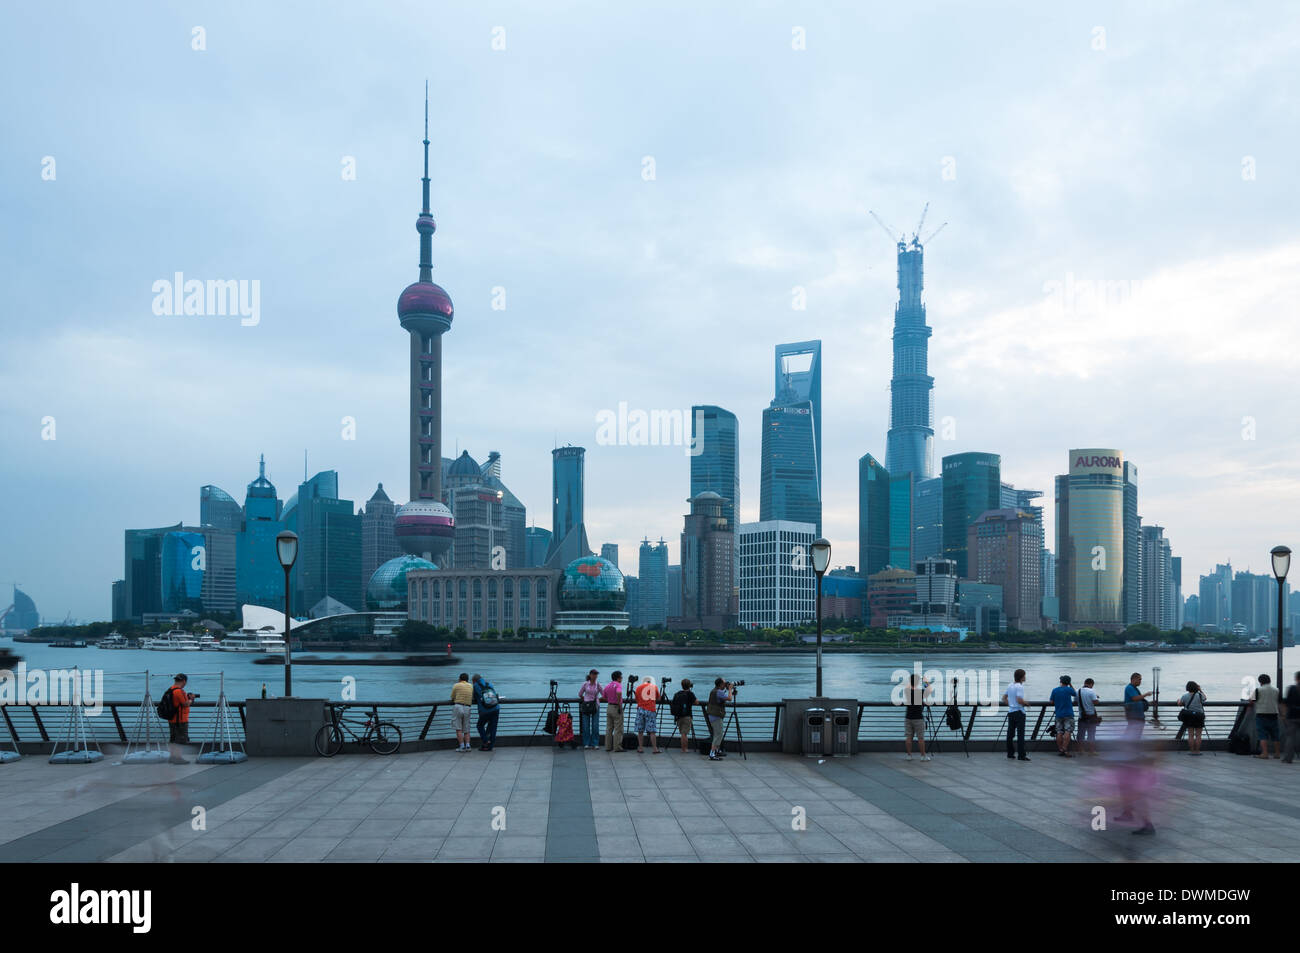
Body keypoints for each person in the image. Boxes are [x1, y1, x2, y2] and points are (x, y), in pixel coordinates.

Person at [164, 673, 196, 764]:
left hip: (172, 719)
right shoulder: (179, 691)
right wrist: (191, 699)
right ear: (184, 681)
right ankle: (177, 758)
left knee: (173, 739)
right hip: (180, 720)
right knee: (180, 740)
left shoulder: (170, 690)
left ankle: (172, 757)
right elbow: (185, 704)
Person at [1002, 669, 1029, 761]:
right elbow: (1019, 700)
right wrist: (1027, 704)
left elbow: (1004, 698)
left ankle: (1010, 753)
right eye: (1024, 675)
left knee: (1010, 734)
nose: (1025, 677)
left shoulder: (1010, 685)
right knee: (1020, 735)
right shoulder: (1020, 686)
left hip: (1011, 712)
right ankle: (1021, 755)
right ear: (1021, 677)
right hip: (1019, 712)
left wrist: (1010, 705)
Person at [902, 674, 930, 761]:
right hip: (918, 717)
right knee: (920, 738)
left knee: (909, 737)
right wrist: (925, 681)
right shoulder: (920, 692)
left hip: (908, 717)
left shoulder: (907, 691)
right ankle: (922, 756)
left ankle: (909, 755)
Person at [1254, 673, 1281, 759]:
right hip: (1274, 714)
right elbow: (1280, 701)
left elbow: (1251, 700)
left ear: (1260, 681)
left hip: (1261, 714)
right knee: (1275, 736)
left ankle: (1265, 753)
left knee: (1262, 735)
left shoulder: (1258, 690)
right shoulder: (1276, 690)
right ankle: (1277, 753)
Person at [1049, 675, 1077, 757]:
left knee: (1059, 732)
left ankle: (1061, 749)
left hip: (1058, 714)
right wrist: (1070, 685)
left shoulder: (1055, 690)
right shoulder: (1068, 689)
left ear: (1061, 681)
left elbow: (1051, 701)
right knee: (1068, 731)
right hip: (1068, 714)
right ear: (1068, 682)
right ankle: (1065, 749)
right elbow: (1075, 694)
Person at [634, 676, 662, 753]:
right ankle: (655, 749)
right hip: (650, 710)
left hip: (640, 710)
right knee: (652, 731)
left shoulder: (638, 688)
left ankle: (640, 748)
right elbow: (658, 698)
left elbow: (636, 699)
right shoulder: (654, 687)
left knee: (640, 730)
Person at [472, 674, 500, 751]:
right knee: (493, 727)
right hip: (495, 708)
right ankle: (490, 745)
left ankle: (486, 741)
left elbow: (474, 697)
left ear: (474, 681)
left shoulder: (476, 686)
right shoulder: (489, 684)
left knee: (480, 726)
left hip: (485, 710)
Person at [1177, 680, 1206, 755]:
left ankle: (1192, 751)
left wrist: (1178, 700)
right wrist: (1200, 690)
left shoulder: (1185, 696)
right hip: (1199, 715)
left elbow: (1180, 704)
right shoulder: (1200, 695)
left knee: (1190, 735)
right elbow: (1205, 698)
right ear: (1196, 687)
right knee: (1198, 735)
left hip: (1189, 716)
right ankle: (1197, 751)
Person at [706, 678, 732, 761]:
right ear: (720, 684)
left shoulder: (714, 691)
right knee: (718, 735)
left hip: (712, 715)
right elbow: (729, 698)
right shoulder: (719, 692)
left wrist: (727, 689)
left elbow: (721, 698)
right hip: (716, 716)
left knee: (717, 734)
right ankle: (712, 753)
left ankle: (716, 750)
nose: (725, 684)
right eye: (724, 683)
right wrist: (730, 689)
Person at [577, 669, 603, 749]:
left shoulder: (598, 685)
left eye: (596, 675)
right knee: (586, 725)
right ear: (590, 675)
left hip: (595, 706)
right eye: (594, 674)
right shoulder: (585, 684)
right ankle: (586, 743)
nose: (595, 676)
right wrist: (586, 698)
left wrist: (598, 699)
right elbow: (580, 694)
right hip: (586, 706)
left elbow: (604, 694)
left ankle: (595, 743)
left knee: (595, 725)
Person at [670, 678, 697, 753]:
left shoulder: (677, 694)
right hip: (687, 716)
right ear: (689, 686)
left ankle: (683, 748)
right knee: (684, 734)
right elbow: (696, 702)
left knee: (682, 733)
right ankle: (684, 749)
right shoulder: (690, 694)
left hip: (678, 716)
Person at [450, 672, 474, 752]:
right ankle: (468, 746)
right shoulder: (471, 686)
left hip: (458, 706)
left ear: (459, 679)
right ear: (467, 680)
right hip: (467, 707)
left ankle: (462, 746)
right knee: (466, 728)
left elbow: (452, 697)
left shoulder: (456, 685)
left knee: (458, 728)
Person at [602, 671, 625, 752]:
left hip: (609, 707)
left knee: (609, 728)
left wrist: (610, 699)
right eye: (621, 677)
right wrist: (619, 704)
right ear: (618, 678)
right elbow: (619, 692)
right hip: (616, 707)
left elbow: (604, 696)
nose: (622, 679)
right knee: (618, 728)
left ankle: (608, 747)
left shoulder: (608, 685)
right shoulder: (618, 685)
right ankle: (617, 747)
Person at [1123, 672, 1151, 738]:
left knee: (1136, 733)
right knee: (1133, 733)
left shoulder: (1134, 688)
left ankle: (1130, 745)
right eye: (1139, 679)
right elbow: (1135, 698)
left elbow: (1138, 699)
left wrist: (1149, 703)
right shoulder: (1129, 688)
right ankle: (1129, 745)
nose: (1140, 681)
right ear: (1133, 679)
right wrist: (1146, 694)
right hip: (1134, 715)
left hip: (1137, 715)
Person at [1077, 678, 1100, 756]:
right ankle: (1091, 751)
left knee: (1081, 735)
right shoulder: (1091, 691)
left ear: (1084, 683)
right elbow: (1096, 702)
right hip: (1091, 717)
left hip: (1082, 716)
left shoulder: (1078, 691)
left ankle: (1081, 750)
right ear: (1091, 684)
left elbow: (1075, 701)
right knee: (1091, 734)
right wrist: (1096, 697)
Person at [1281, 672, 1300, 764]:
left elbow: (1286, 702)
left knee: (1290, 738)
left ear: (1296, 678)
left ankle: (1288, 758)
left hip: (1292, 715)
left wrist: (1284, 715)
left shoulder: (1292, 688)